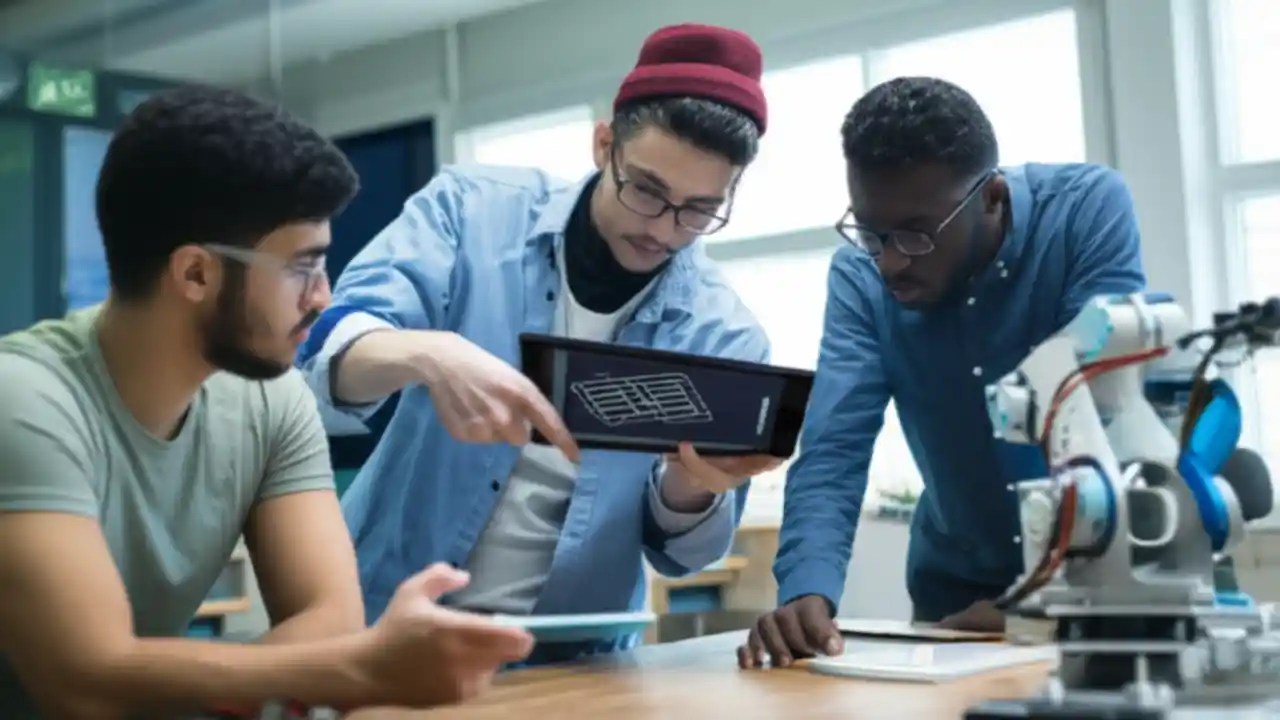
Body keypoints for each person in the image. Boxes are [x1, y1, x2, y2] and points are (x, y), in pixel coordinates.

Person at [0, 85, 532, 719]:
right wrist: (360, 667)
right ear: (195, 274)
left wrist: (334, 661)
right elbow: (83, 682)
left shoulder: (272, 397)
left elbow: (330, 618)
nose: (323, 297)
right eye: (301, 268)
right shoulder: (24, 399)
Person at [296, 22, 780, 661]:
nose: (664, 229)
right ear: (604, 144)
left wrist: (692, 484)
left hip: (577, 658)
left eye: (698, 210)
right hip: (387, 624)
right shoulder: (471, 211)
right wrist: (430, 353)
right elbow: (324, 350)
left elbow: (686, 557)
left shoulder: (723, 335)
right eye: (647, 190)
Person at [737, 76, 1147, 669]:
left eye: (915, 235)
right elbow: (833, 449)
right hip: (956, 606)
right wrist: (806, 592)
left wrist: (1040, 602)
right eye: (872, 234)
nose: (889, 262)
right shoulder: (859, 277)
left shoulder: (1085, 211)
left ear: (993, 199)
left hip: (1108, 587)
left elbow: (1097, 405)